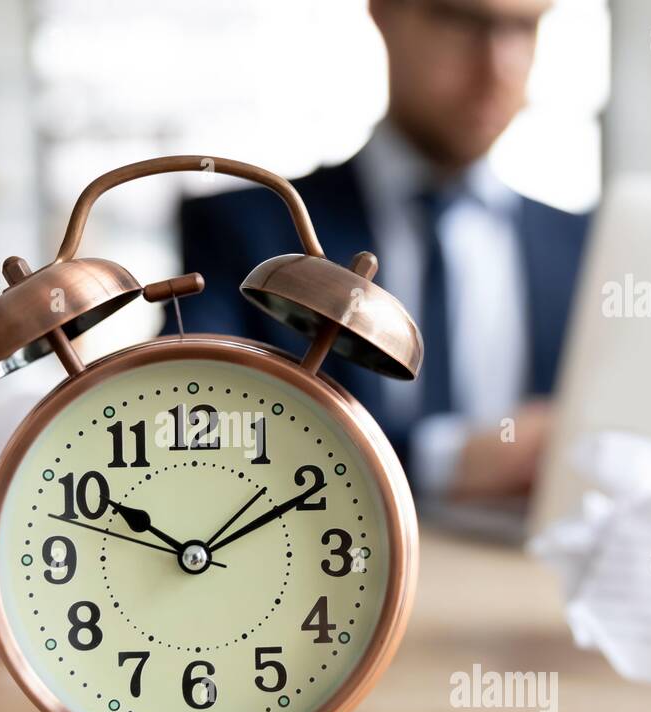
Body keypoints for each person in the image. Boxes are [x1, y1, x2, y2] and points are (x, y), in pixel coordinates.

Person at [168, 0, 589, 501]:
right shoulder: (244, 230)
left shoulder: (589, 247)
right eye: (461, 20)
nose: (496, 67)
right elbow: (196, 427)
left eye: (523, 28)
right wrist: (445, 462)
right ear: (384, 12)